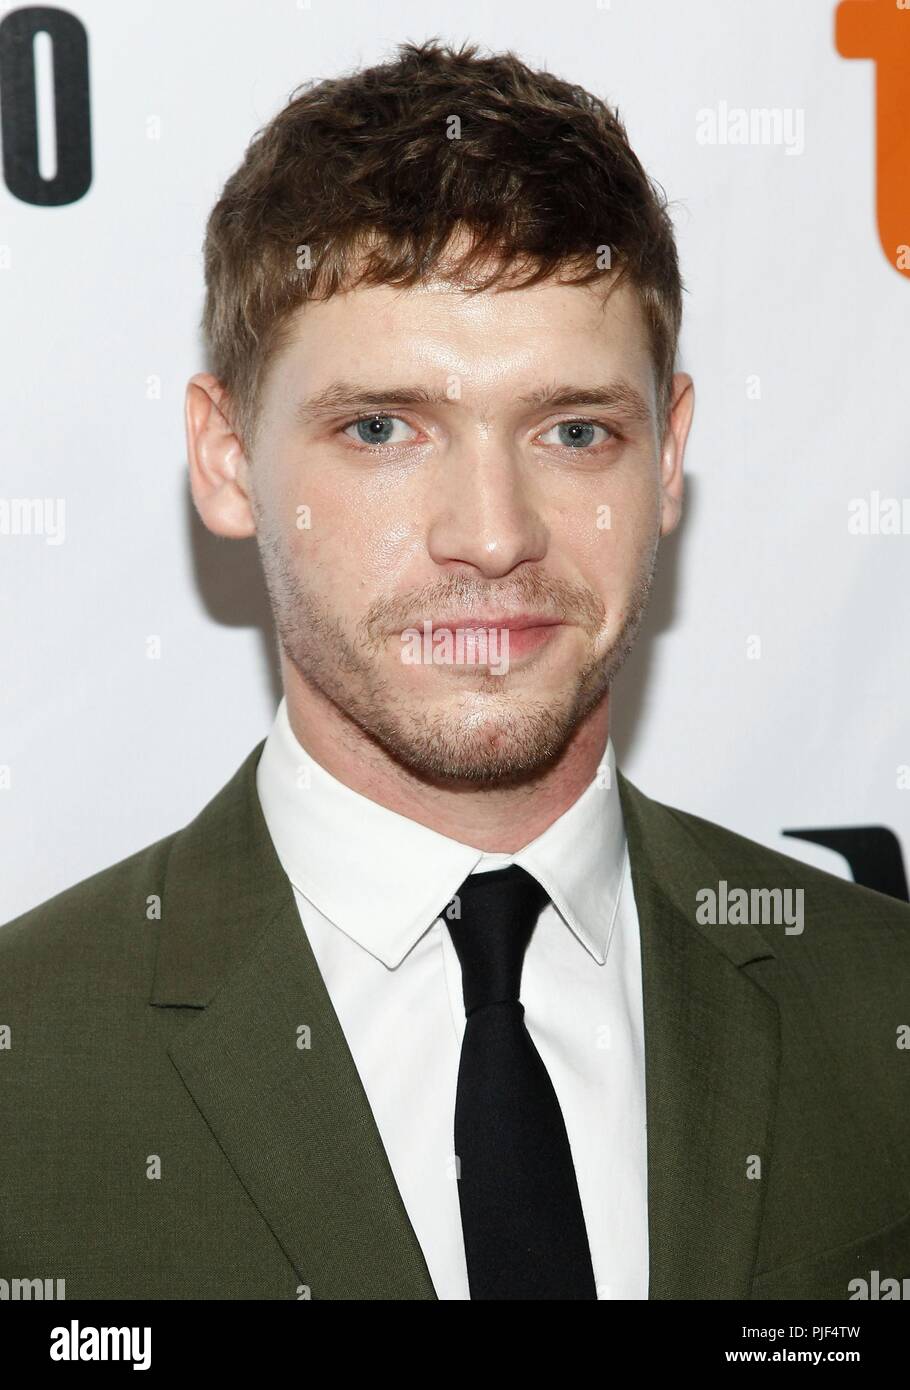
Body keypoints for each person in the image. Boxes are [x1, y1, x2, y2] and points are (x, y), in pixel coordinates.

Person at [2, 39, 909, 1302]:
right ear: (224, 460)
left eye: (574, 429)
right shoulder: (27, 1069)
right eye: (382, 428)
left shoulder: (882, 1008)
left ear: (665, 459)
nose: (492, 531)